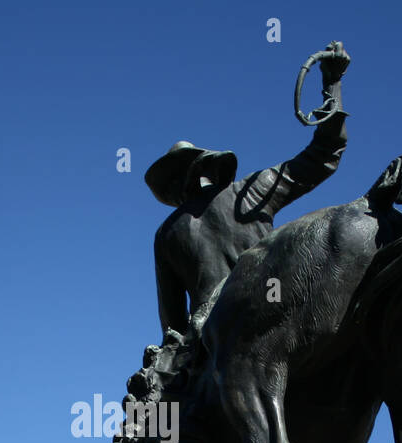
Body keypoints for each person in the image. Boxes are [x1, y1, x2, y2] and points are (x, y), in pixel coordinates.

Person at [146, 40, 351, 339]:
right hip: (277, 316)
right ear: (208, 168)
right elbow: (324, 154)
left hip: (217, 342)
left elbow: (173, 328)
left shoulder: (167, 234)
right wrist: (332, 82)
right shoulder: (248, 193)